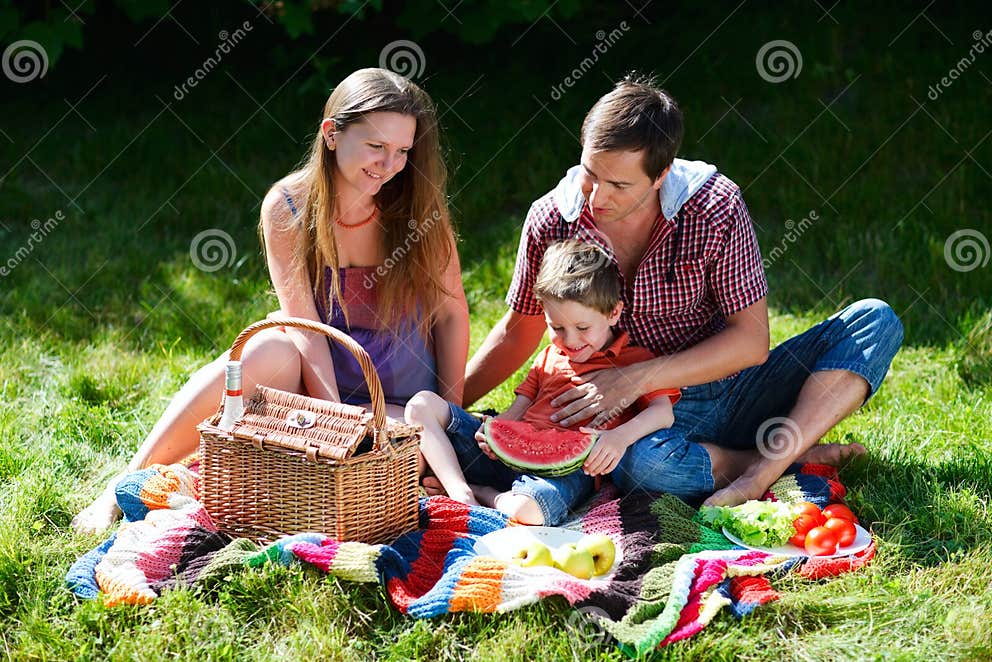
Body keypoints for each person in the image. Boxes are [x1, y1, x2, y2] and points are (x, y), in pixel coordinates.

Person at [462, 74, 903, 521]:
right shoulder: (552, 218)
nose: (597, 197)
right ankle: (779, 454)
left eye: (619, 185)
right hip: (653, 419)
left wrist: (635, 378)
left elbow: (751, 343)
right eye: (590, 175)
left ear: (661, 175)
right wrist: (451, 399)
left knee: (875, 320)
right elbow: (520, 330)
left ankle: (759, 474)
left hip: (735, 387)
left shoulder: (714, 207)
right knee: (644, 467)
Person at [72, 68, 469, 535]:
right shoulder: (289, 206)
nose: (390, 164)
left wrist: (450, 417)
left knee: (402, 444)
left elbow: (450, 313)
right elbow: (305, 327)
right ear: (332, 135)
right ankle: (123, 484)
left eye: (403, 151)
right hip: (319, 372)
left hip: (399, 392)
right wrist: (338, 422)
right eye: (376, 147)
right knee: (264, 349)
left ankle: (312, 460)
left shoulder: (418, 208)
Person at [406, 240, 680, 523]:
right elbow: (517, 409)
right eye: (557, 327)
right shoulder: (548, 356)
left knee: (528, 512)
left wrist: (620, 438)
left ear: (614, 313)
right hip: (506, 456)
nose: (570, 341)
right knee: (420, 405)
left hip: (571, 470)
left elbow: (663, 412)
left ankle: (485, 494)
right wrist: (495, 431)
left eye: (582, 328)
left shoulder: (636, 361)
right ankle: (460, 492)